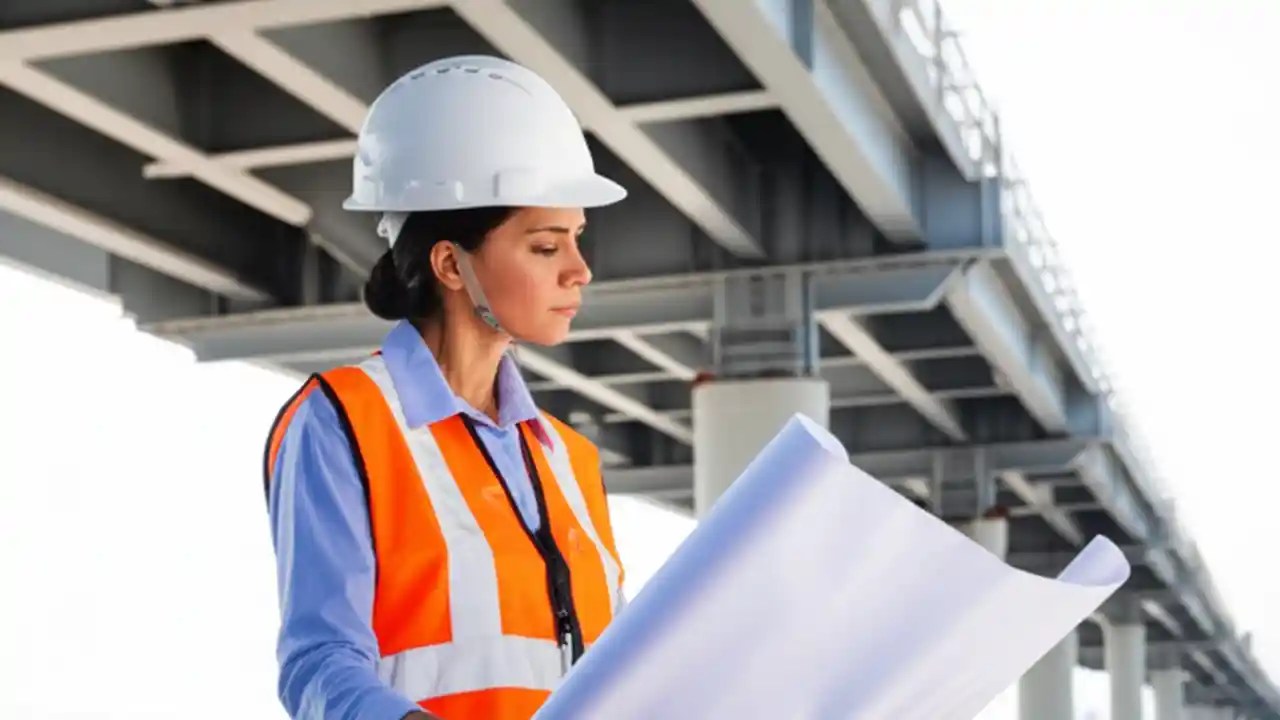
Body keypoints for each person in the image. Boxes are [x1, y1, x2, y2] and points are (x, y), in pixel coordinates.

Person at [262, 55, 629, 720]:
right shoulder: (343, 422)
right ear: (450, 265)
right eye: (547, 247)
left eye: (578, 239)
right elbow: (319, 664)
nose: (580, 270)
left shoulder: (570, 460)